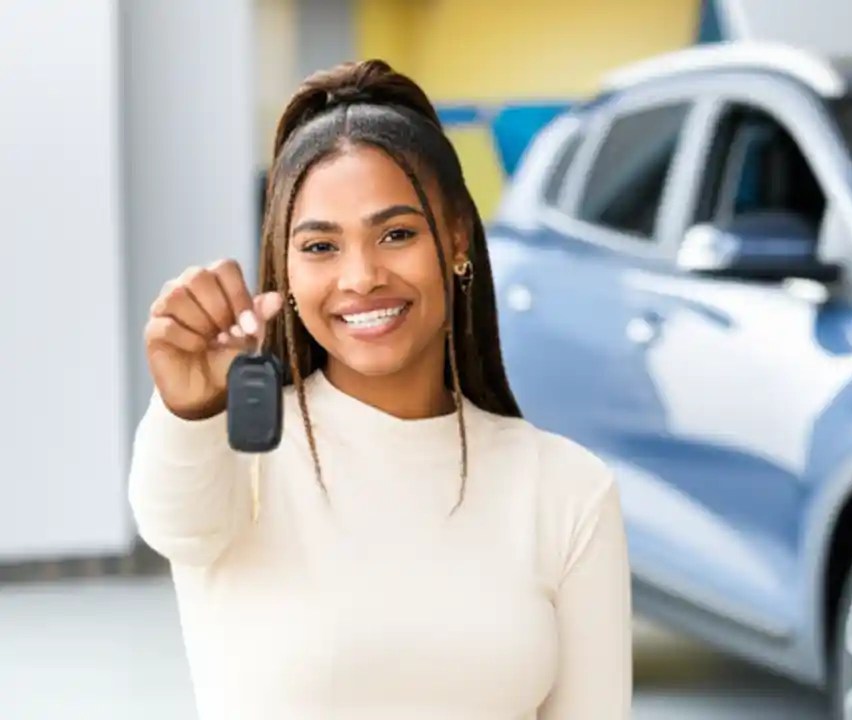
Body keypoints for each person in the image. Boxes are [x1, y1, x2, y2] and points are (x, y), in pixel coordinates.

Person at [127, 59, 632, 719]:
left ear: (455, 238)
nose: (361, 276)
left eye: (396, 234)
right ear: (284, 264)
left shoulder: (568, 489)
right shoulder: (234, 454)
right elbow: (170, 517)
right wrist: (188, 408)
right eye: (320, 247)